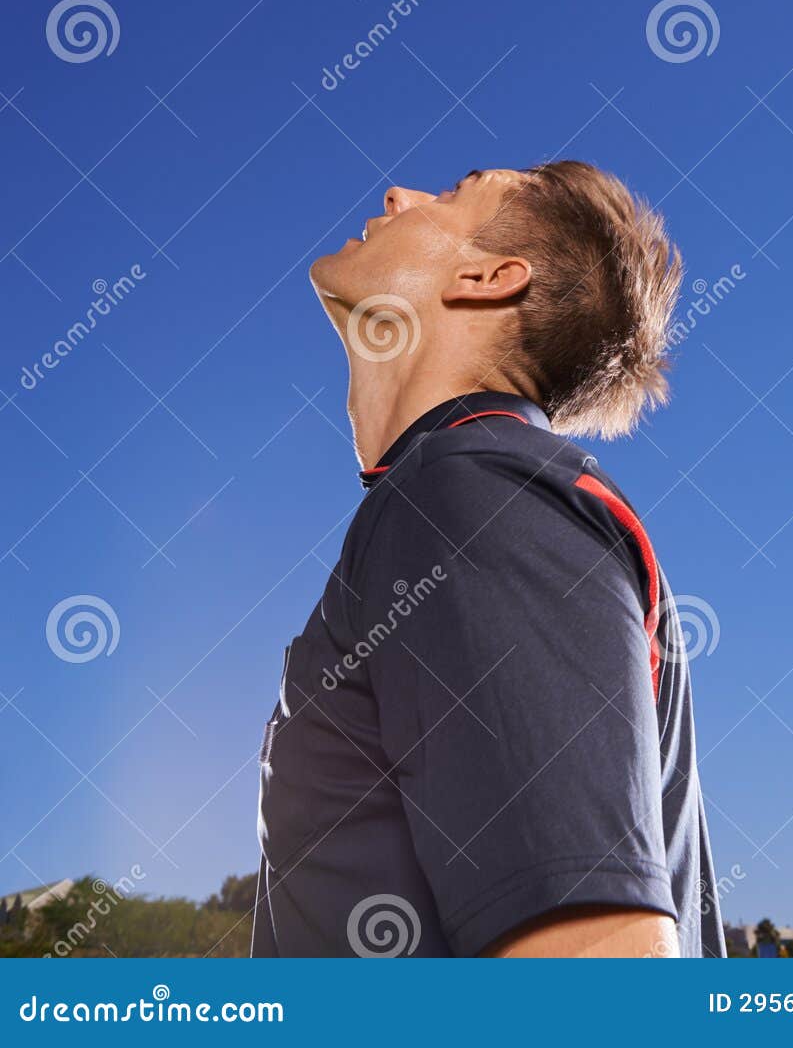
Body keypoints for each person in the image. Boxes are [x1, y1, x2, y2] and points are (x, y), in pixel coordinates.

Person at [252, 162, 725, 958]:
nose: (398, 195)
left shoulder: (472, 492)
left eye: (449, 196)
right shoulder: (469, 489)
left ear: (487, 277)